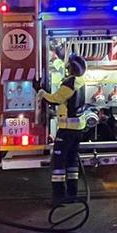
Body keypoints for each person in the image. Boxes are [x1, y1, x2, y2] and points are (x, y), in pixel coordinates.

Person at [38, 54, 88, 205]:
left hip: (66, 130)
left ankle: (59, 196)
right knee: (72, 162)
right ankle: (72, 194)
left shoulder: (69, 83)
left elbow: (55, 99)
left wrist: (41, 93)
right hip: (78, 129)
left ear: (71, 68)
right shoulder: (80, 81)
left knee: (58, 163)